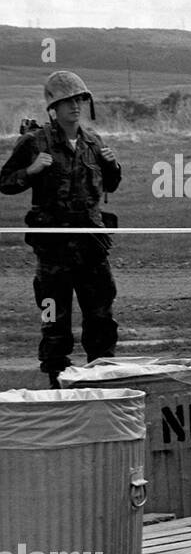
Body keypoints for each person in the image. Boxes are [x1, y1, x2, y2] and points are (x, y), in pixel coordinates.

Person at [0, 71, 120, 386]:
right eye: (67, 101)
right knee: (55, 317)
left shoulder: (94, 141)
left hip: (91, 245)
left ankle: (102, 378)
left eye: (79, 100)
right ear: (53, 107)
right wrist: (31, 170)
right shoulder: (35, 141)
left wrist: (112, 166)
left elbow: (110, 185)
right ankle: (58, 381)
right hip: (53, 249)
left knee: (101, 315)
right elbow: (5, 182)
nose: (74, 107)